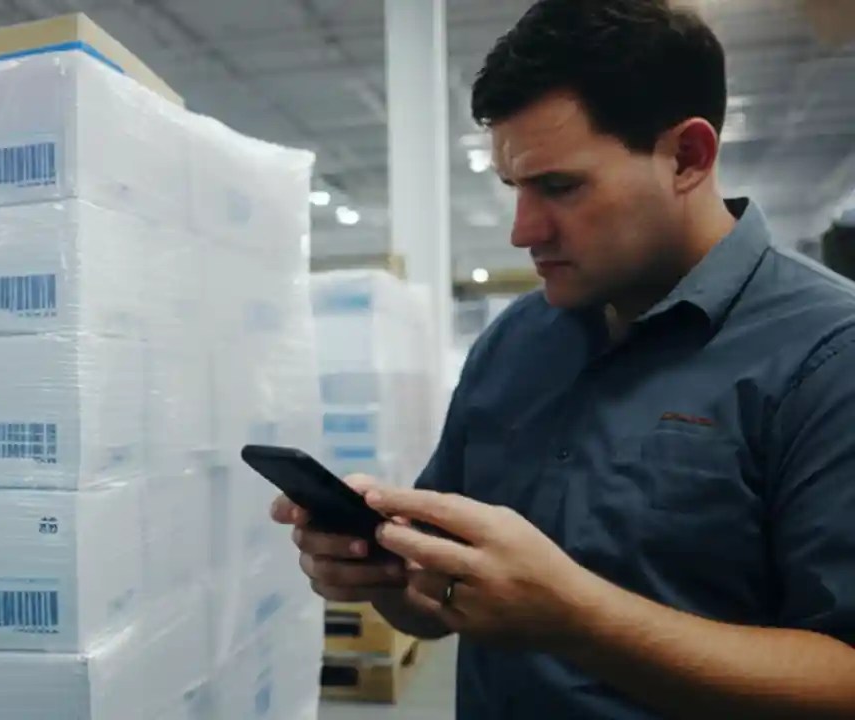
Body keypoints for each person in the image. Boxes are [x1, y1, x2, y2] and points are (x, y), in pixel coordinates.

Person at [271, 0, 855, 717]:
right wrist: (383, 576)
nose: (522, 231)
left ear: (687, 157)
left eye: (560, 186)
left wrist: (578, 618)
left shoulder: (829, 356)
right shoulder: (516, 342)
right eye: (514, 188)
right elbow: (434, 605)